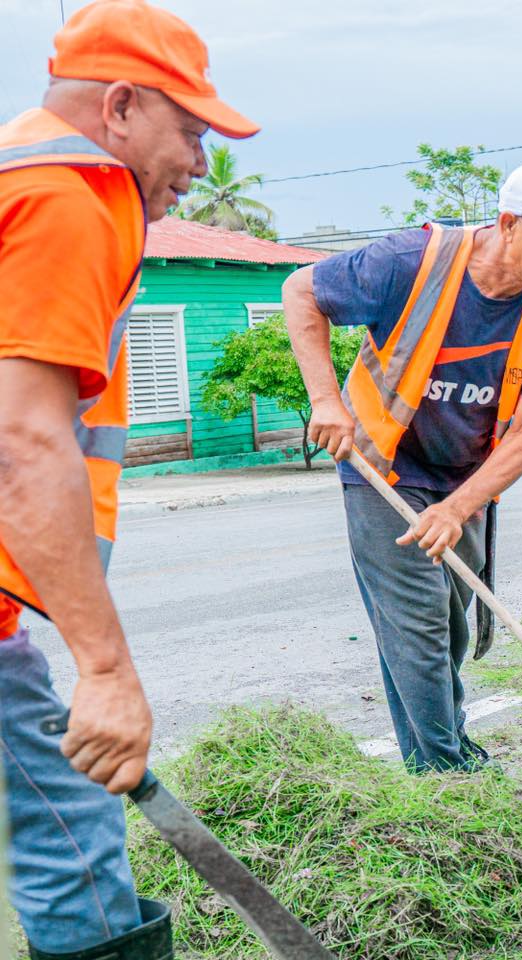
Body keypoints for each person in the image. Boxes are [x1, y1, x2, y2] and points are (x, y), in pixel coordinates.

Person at [0, 2, 257, 956]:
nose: (200, 161)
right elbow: (23, 442)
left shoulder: (16, 173)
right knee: (71, 826)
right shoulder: (70, 193)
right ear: (117, 107)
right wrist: (105, 671)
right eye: (189, 130)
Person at [284, 161, 522, 774]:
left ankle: (442, 744)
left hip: (466, 476)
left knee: (450, 625)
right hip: (382, 463)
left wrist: (459, 507)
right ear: (507, 224)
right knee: (419, 624)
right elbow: (301, 291)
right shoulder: (409, 262)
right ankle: (443, 778)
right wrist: (325, 401)